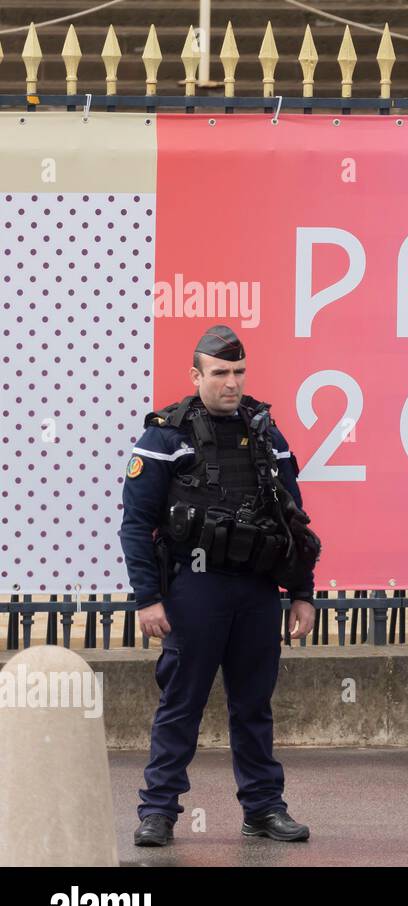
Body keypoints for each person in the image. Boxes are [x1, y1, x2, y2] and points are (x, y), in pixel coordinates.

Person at [118, 325, 318, 847]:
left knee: (253, 705)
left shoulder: (267, 433)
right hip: (195, 591)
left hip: (255, 590)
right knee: (181, 703)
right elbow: (136, 524)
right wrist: (147, 598)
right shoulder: (165, 436)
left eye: (239, 372)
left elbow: (294, 519)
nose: (231, 383)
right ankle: (158, 811)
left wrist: (302, 593)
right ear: (196, 375)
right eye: (220, 373)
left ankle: (263, 809)